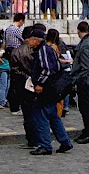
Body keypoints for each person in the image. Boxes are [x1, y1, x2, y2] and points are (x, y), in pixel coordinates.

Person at [20, 24, 73, 155]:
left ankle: (45, 145)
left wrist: (40, 84)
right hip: (52, 88)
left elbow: (48, 69)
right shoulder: (46, 49)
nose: (28, 41)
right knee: (53, 115)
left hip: (46, 88)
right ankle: (65, 141)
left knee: (40, 115)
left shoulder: (43, 50)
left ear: (37, 40)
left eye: (31, 39)